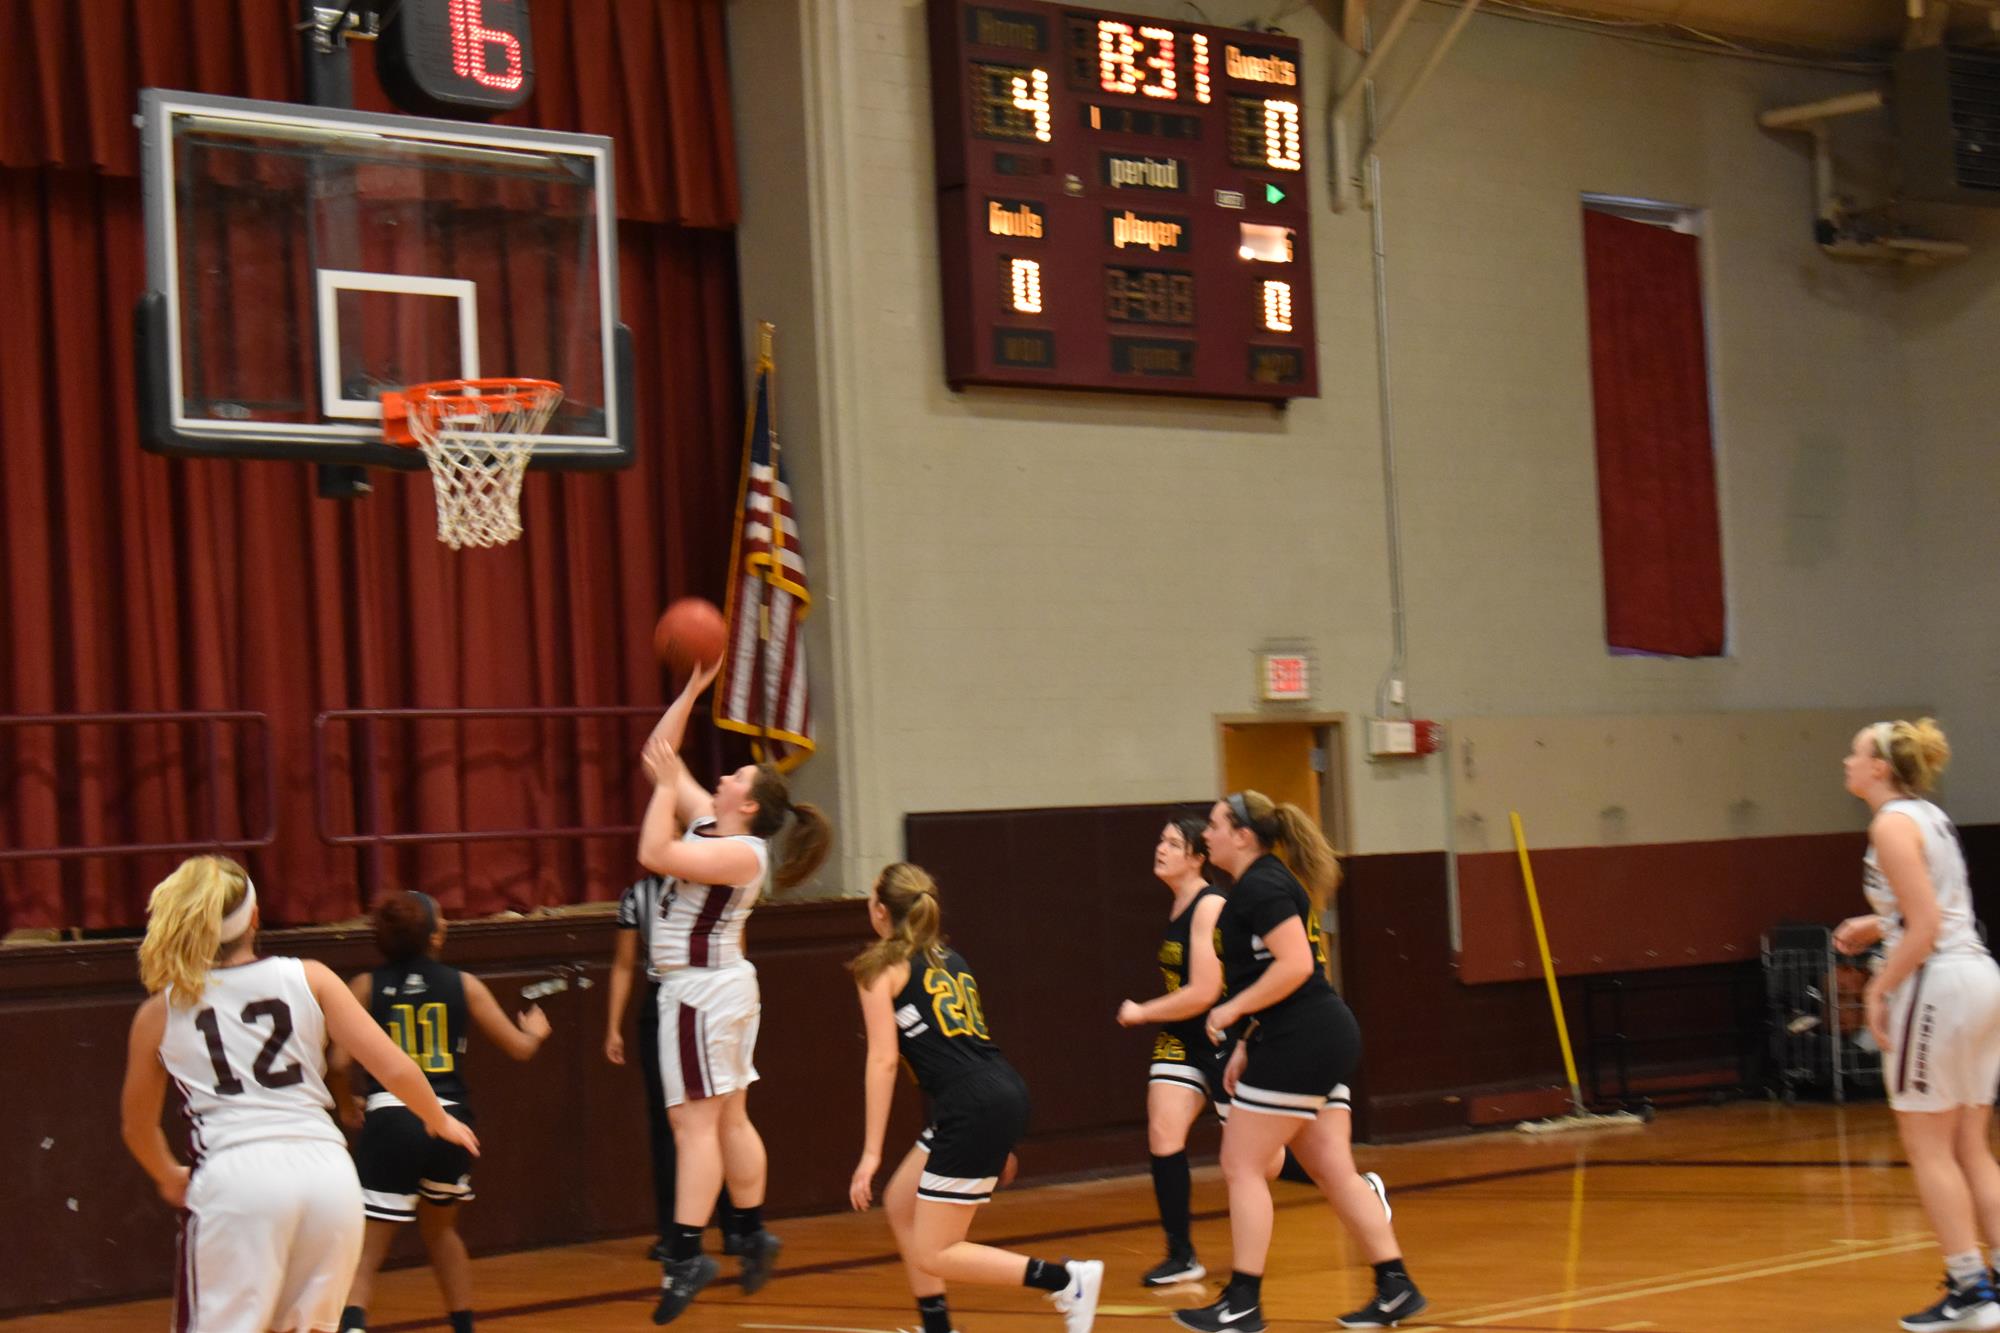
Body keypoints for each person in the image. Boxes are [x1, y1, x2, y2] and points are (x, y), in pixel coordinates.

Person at [119, 855, 479, 1333]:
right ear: (253, 916)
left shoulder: (159, 1012)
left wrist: (165, 1174)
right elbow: (393, 1064)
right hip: (327, 1175)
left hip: (237, 1179)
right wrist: (437, 1117)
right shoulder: (310, 976)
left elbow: (137, 1126)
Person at [1174, 792, 1424, 1332]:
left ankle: (1242, 1301)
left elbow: (1294, 965)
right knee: (1332, 1168)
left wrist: (1231, 1011)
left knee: (1242, 1164)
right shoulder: (1261, 884)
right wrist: (1245, 1041)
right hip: (1313, 1034)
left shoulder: (1261, 885)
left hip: (1302, 1039)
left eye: (1215, 825)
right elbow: (1277, 975)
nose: (1207, 835)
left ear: (1242, 835)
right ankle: (1395, 1286)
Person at [638, 663, 834, 1324]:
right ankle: (750, 1231)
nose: (722, 776)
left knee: (693, 1126)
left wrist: (667, 785)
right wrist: (690, 693)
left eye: (736, 778)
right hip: (718, 990)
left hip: (700, 995)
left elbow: (653, 852)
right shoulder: (713, 824)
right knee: (727, 1119)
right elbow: (656, 758)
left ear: (747, 804)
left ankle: (689, 1252)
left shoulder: (744, 853)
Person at [848, 863, 1103, 1333]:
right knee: (903, 1201)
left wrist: (869, 1153)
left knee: (936, 1251)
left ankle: (1067, 1279)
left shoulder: (878, 969)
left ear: (880, 912)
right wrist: (997, 1139)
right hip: (997, 1093)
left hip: (972, 1106)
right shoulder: (951, 960)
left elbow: (883, 1062)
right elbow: (967, 1048)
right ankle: (937, 1325)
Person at [1833, 718, 2000, 1332]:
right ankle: (1996, 1284)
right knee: (1969, 1146)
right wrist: (1877, 924)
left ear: (1879, 767)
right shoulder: (1929, 817)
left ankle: (1971, 1291)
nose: (1846, 763)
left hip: (1938, 984)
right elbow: (1931, 907)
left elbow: (1926, 925)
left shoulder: (1891, 824)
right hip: (1977, 978)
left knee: (1928, 1147)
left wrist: (1877, 986)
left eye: (1855, 754)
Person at [330, 891, 552, 1333]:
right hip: (451, 1123)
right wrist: (537, 1032)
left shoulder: (363, 986)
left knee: (368, 1248)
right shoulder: (464, 984)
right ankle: (464, 1326)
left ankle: (352, 1325)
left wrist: (345, 1104)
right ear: (435, 934)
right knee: (442, 1232)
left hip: (391, 1120)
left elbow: (337, 1063)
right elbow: (519, 1048)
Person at [1116, 816, 1230, 1285]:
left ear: (1197, 857)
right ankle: (1181, 1255)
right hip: (1181, 1038)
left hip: (1224, 1038)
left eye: (1173, 843)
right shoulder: (1177, 904)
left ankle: (1348, 1184)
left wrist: (1143, 1011)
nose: (1160, 848)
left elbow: (1205, 991)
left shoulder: (1210, 905)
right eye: (1160, 839)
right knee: (1163, 1130)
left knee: (1263, 1158)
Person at [608, 870, 743, 1262]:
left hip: (705, 996)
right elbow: (623, 963)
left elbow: (736, 950)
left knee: (711, 1120)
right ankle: (680, 1233)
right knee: (677, 1124)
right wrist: (613, 1027)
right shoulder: (637, 895)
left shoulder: (717, 885)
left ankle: (729, 1227)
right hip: (670, 999)